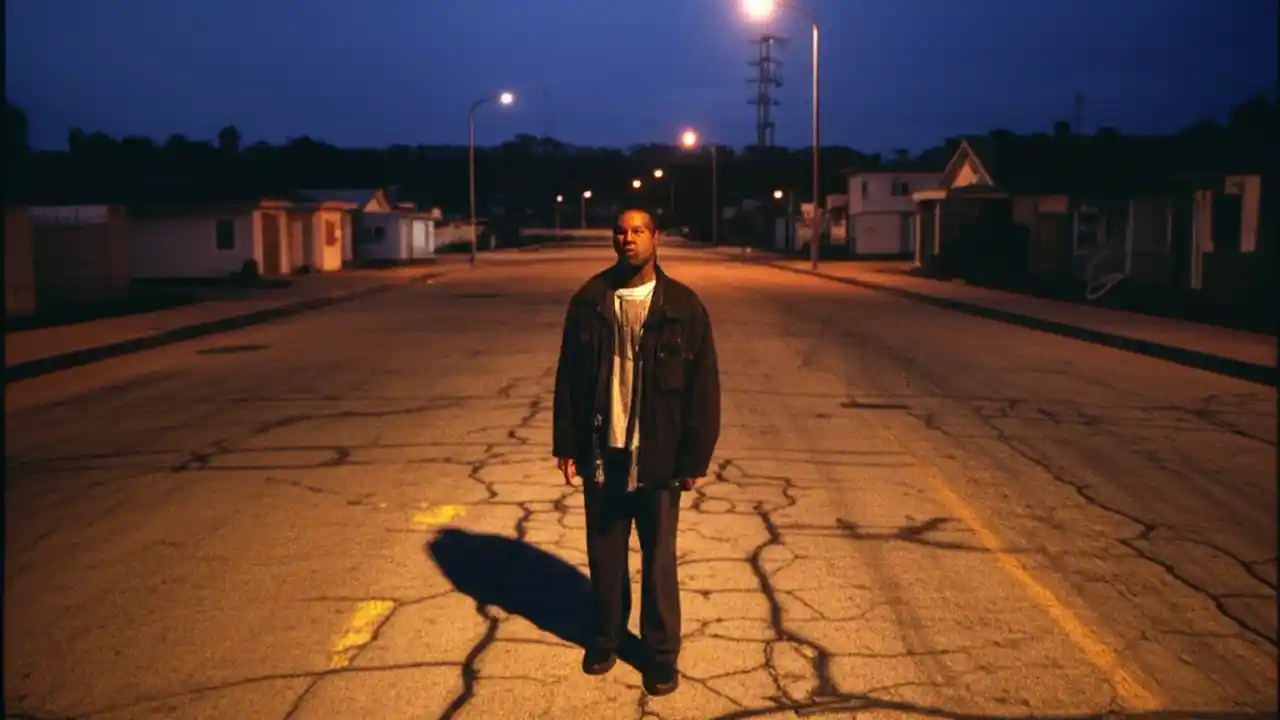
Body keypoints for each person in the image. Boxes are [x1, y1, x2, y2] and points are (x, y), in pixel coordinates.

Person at [552, 208, 720, 696]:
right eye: (620, 232)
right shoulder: (589, 301)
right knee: (605, 556)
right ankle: (604, 639)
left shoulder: (683, 306)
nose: (628, 239)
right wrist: (566, 443)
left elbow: (703, 387)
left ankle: (660, 655)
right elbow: (569, 378)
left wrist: (695, 459)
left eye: (638, 231)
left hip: (659, 457)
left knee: (659, 561)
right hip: (604, 451)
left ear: (656, 238)